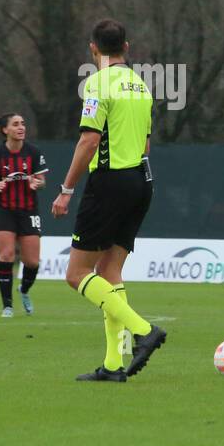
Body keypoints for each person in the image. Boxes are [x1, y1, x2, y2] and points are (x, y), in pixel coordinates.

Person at [52, 19, 165, 381]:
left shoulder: (98, 83)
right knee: (110, 271)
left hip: (111, 182)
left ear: (93, 49)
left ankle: (144, 331)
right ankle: (115, 365)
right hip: (141, 180)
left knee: (76, 274)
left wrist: (66, 189)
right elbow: (146, 144)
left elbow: (88, 141)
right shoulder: (142, 86)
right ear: (127, 48)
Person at [0, 113, 50, 317]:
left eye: (23, 124)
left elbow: (42, 180)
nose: (21, 127)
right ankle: (7, 306)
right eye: (16, 124)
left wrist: (38, 183)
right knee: (6, 255)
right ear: (5, 130)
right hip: (3, 210)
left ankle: (24, 291)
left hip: (28, 210)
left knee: (32, 262)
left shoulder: (34, 152)